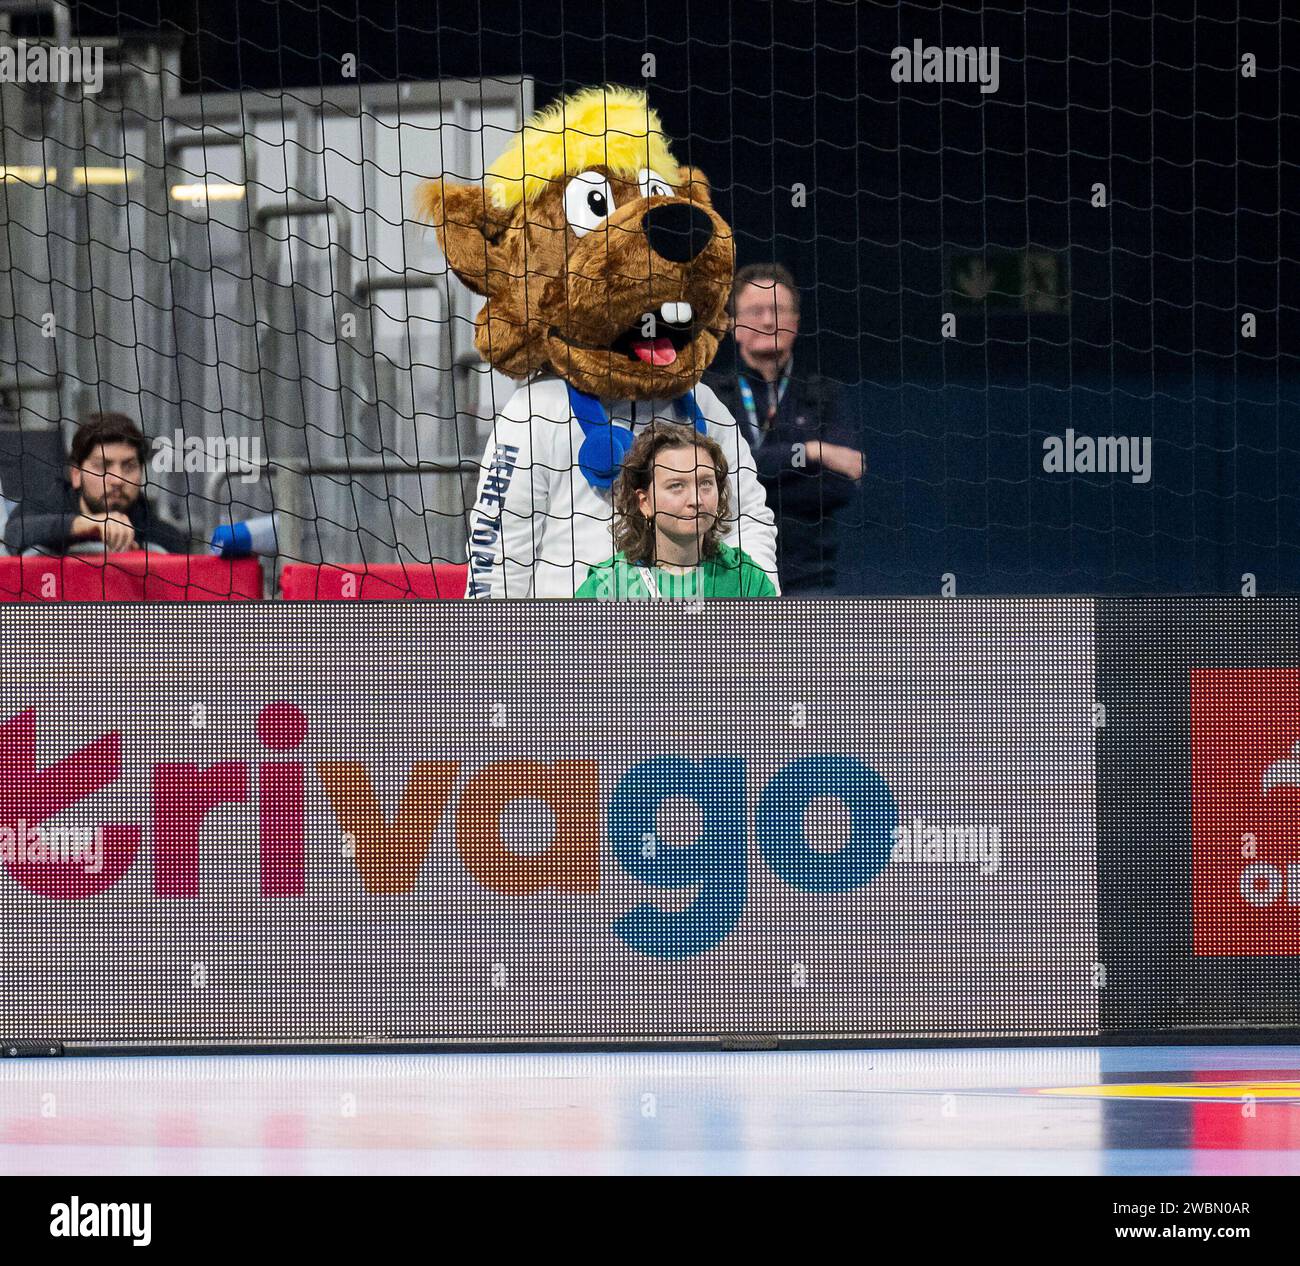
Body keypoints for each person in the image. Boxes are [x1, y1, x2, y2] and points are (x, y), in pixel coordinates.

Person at [704, 263, 865, 596]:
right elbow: (714, 478)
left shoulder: (825, 393)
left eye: (778, 310)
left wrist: (753, 479)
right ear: (734, 326)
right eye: (755, 311)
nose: (768, 321)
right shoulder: (712, 395)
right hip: (727, 573)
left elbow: (842, 484)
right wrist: (811, 452)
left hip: (810, 577)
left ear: (796, 322)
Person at [576, 423, 776, 599]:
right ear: (644, 502)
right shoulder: (607, 586)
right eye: (676, 486)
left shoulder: (746, 579)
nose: (696, 500)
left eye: (706, 483)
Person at [2, 412, 190, 555]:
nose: (117, 480)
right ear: (76, 475)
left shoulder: (162, 539)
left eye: (129, 466)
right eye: (103, 466)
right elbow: (14, 534)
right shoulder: (43, 510)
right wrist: (85, 525)